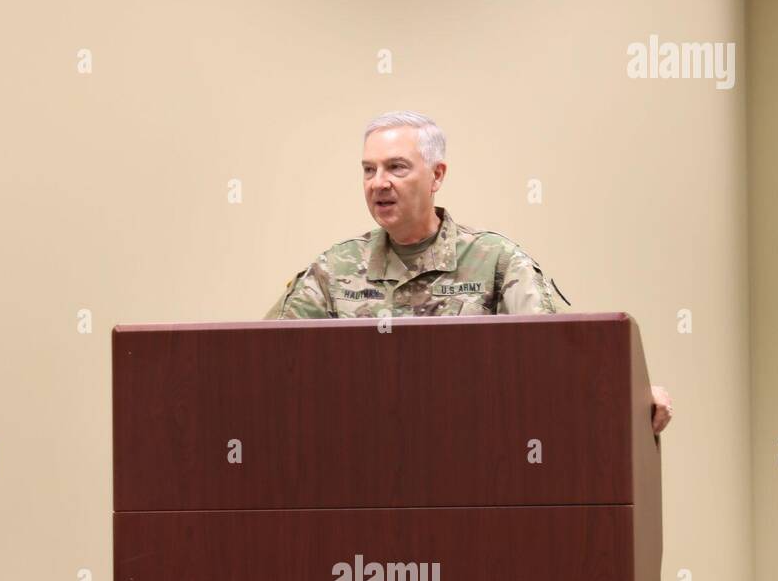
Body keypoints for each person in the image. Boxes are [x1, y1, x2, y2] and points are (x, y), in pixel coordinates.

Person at [265, 110, 672, 434]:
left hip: (478, 461)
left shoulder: (495, 260)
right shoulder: (334, 269)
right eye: (368, 170)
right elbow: (267, 361)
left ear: (436, 175)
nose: (379, 183)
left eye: (396, 168)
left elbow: (558, 358)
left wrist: (634, 397)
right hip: (363, 461)